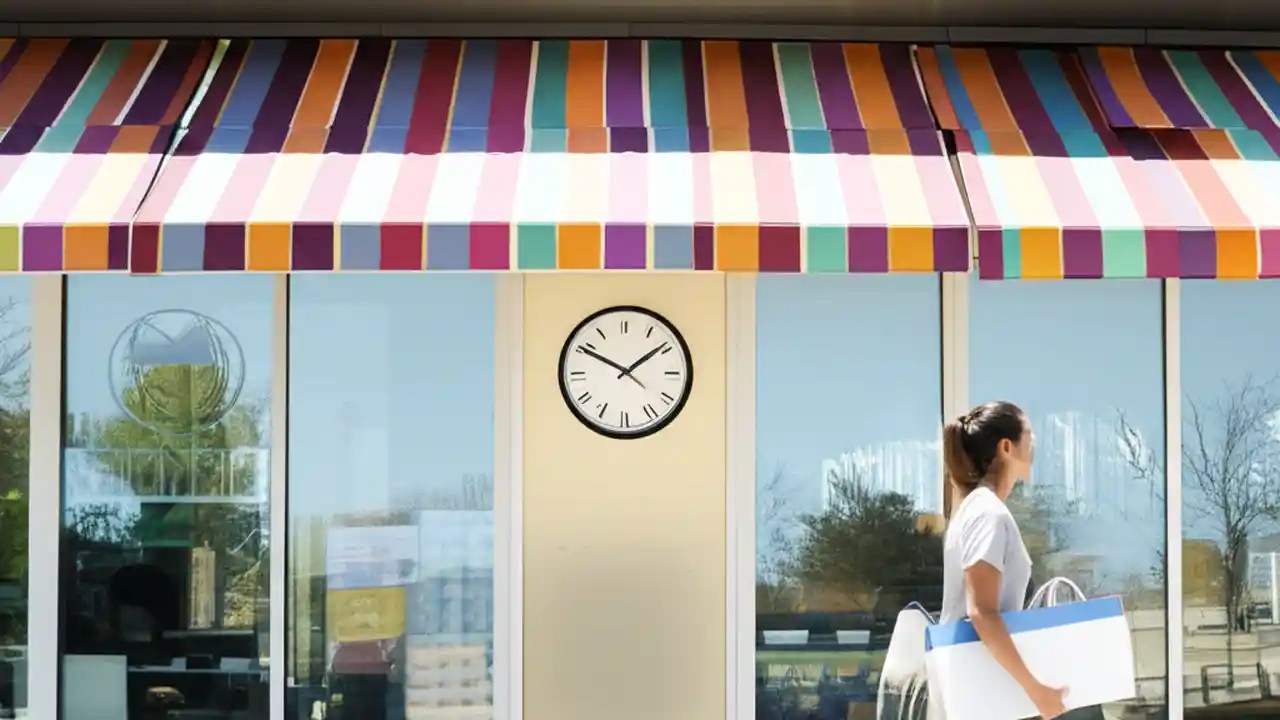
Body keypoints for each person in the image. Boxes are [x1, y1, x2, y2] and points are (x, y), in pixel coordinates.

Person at [940, 401, 1067, 720]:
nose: (1035, 445)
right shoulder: (988, 513)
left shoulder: (975, 508)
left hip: (973, 693)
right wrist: (1035, 690)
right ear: (1007, 447)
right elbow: (982, 612)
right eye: (1030, 436)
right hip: (979, 696)